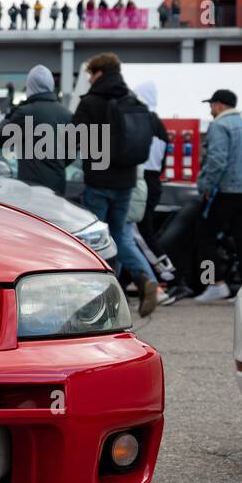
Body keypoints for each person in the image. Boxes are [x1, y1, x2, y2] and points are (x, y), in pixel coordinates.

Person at [72, 52, 159, 316]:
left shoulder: (91, 102)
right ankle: (143, 277)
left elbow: (74, 138)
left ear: (99, 73)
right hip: (127, 180)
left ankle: (101, 295)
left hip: (99, 180)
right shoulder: (132, 100)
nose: (89, 79)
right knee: (119, 235)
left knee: (97, 238)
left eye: (90, 74)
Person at [192, 89, 242, 302]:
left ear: (219, 105)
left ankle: (214, 283)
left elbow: (217, 160)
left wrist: (205, 186)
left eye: (211, 105)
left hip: (226, 191)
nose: (211, 110)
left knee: (205, 236)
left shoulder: (219, 125)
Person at [0, 65, 72, 195]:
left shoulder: (25, 112)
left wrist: (9, 116)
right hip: (57, 184)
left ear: (30, 86)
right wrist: (56, 165)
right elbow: (72, 152)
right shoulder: (66, 114)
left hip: (31, 185)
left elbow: (0, 140)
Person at [132, 81, 173, 277]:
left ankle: (165, 272)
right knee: (140, 230)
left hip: (142, 179)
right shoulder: (159, 125)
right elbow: (162, 162)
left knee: (139, 231)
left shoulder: (141, 122)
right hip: (154, 180)